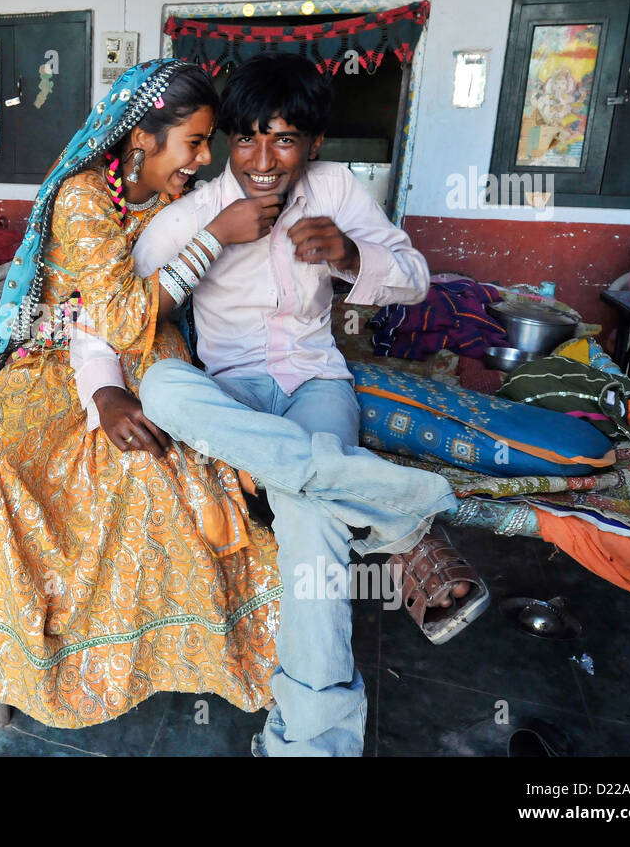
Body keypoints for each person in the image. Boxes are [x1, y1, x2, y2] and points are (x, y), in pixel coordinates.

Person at [72, 52, 490, 755]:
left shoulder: (338, 190)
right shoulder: (195, 214)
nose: (262, 159)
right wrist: (108, 392)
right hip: (230, 390)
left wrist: (353, 255)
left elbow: (416, 277)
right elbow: (102, 315)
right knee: (168, 388)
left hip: (313, 384)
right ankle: (386, 498)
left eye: (285, 138)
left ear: (314, 144)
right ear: (229, 139)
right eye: (246, 138)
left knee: (308, 516)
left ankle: (311, 743)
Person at [0, 59, 288, 728]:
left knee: (156, 471)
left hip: (154, 355)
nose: (204, 160)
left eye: (208, 144)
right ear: (143, 135)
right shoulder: (86, 196)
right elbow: (115, 317)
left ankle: (169, 654)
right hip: (52, 359)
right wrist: (215, 238)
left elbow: (144, 327)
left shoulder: (186, 201)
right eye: (194, 142)